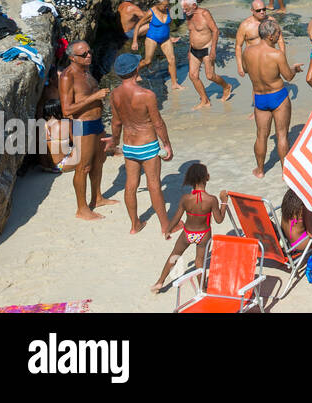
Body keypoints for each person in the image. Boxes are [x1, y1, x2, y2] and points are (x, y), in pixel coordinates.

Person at [107, 53, 173, 235]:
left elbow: (116, 122)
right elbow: (158, 122)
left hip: (129, 145)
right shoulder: (147, 95)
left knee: (130, 185)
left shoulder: (115, 94)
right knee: (154, 184)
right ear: (136, 69)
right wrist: (166, 145)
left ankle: (135, 225)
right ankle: (165, 226)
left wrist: (114, 141)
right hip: (148, 145)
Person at [59, 41, 115, 220]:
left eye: (89, 52)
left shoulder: (86, 70)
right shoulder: (68, 76)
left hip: (96, 122)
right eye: (83, 55)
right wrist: (94, 97)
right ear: (72, 58)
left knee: (99, 161)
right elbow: (67, 110)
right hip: (82, 125)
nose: (89, 55)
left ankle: (97, 198)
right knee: (83, 167)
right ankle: (81, 209)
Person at [152, 162, 225, 292]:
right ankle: (202, 288)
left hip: (187, 233)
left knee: (174, 255)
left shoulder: (186, 198)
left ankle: (160, 282)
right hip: (203, 235)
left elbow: (177, 217)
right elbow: (219, 220)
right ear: (207, 177)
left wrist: (168, 230)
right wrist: (224, 202)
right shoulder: (211, 199)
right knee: (199, 261)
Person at [243, 18, 301, 178]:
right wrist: (294, 69)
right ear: (270, 36)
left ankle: (260, 170)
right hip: (278, 96)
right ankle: (285, 172)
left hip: (260, 98)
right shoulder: (276, 54)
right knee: (282, 134)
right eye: (278, 33)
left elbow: (247, 69)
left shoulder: (247, 51)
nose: (280, 36)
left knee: (261, 135)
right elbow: (288, 77)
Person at [181, 0, 229, 107]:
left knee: (210, 76)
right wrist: (189, 49)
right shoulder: (188, 15)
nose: (183, 11)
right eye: (183, 8)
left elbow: (215, 31)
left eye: (186, 8)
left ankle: (226, 86)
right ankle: (205, 100)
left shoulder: (205, 14)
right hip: (193, 50)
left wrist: (213, 50)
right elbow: (191, 32)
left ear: (194, 5)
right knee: (193, 76)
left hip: (207, 49)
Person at [133, 0, 181, 94]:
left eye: (167, 5)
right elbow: (138, 25)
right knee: (147, 61)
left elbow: (167, 25)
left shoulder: (167, 10)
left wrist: (170, 36)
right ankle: (135, 73)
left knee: (172, 59)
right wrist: (134, 41)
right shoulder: (151, 12)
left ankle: (174, 84)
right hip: (152, 38)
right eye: (164, 5)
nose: (166, 7)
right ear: (158, 4)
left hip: (166, 39)